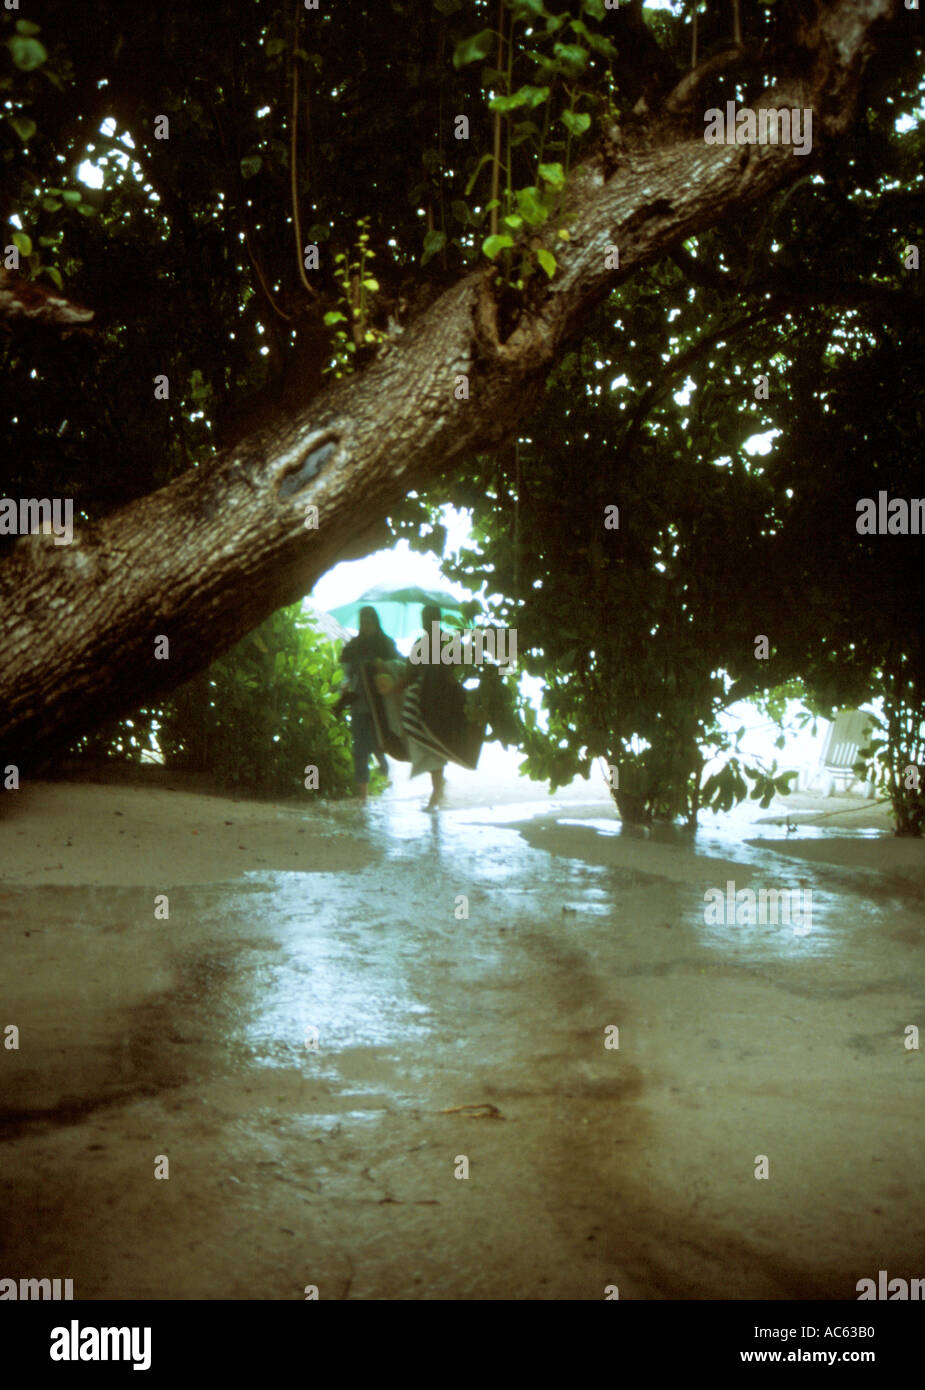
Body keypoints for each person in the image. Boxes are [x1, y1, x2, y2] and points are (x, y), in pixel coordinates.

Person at [339, 606, 399, 802]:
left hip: (383, 705)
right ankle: (363, 797)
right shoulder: (352, 647)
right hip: (359, 703)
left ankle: (386, 779)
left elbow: (399, 667)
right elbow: (344, 673)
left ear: (376, 622)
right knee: (360, 749)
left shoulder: (387, 644)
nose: (366, 627)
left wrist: (382, 665)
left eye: (369, 622)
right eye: (363, 623)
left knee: (380, 745)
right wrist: (344, 684)